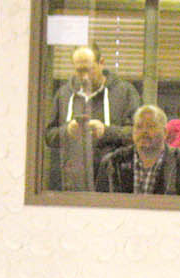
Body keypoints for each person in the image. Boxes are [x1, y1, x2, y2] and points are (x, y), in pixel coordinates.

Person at [44, 43, 140, 192]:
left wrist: (106, 132)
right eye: (79, 71)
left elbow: (137, 134)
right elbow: (49, 136)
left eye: (88, 70)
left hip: (115, 183)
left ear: (101, 63)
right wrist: (67, 132)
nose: (85, 77)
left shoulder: (124, 92)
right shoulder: (64, 94)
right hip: (73, 184)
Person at [95, 104, 180, 196]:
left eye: (151, 126)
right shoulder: (112, 164)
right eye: (139, 127)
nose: (144, 132)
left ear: (165, 133)